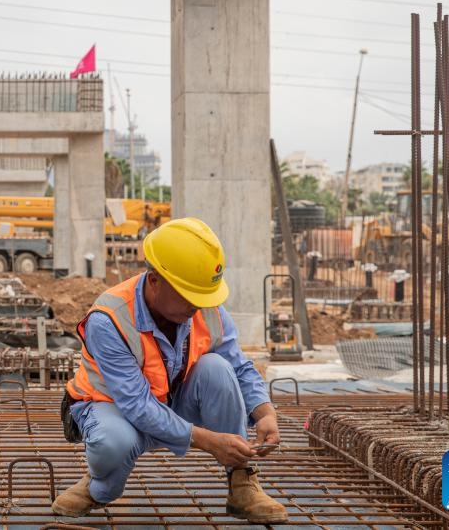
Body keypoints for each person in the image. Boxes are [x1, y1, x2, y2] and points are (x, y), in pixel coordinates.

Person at [52, 218, 288, 523]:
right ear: (154, 280)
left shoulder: (206, 306)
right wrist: (210, 441)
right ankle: (99, 488)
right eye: (189, 295)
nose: (197, 306)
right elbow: (136, 405)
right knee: (114, 442)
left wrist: (265, 413)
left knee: (218, 368)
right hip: (114, 410)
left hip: (173, 401)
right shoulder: (109, 318)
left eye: (201, 296)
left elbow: (239, 365)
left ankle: (243, 482)